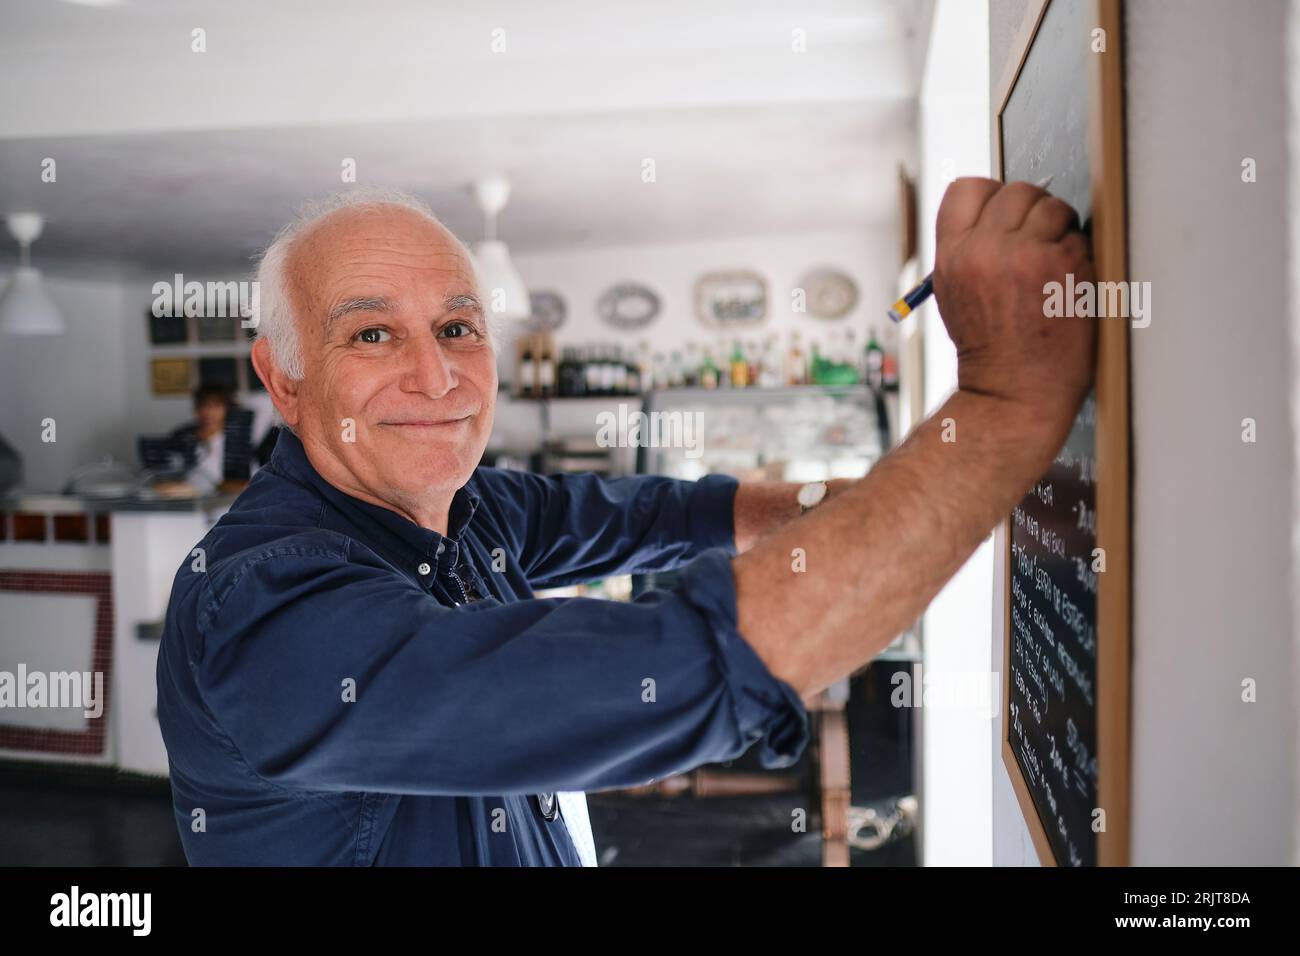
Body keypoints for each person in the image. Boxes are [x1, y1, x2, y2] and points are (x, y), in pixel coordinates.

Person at [156, 180, 1094, 865]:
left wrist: (850, 503)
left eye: (457, 327)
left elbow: (670, 510)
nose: (438, 378)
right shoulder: (264, 603)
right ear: (282, 378)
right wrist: (1004, 407)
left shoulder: (465, 509)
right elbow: (683, 667)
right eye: (370, 333)